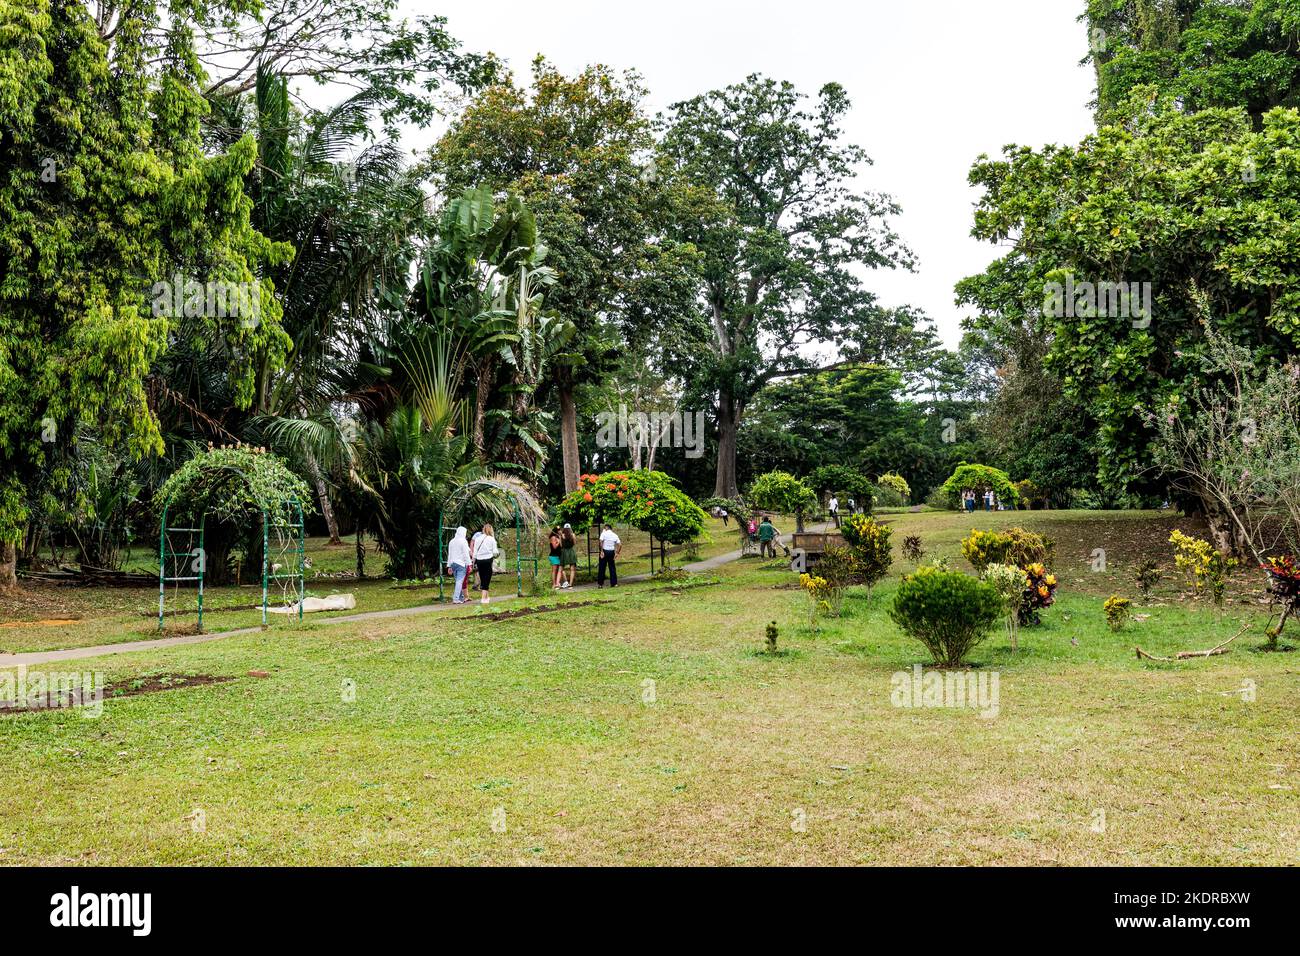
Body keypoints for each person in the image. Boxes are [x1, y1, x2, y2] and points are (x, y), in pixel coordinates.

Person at [474, 523, 498, 604]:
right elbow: (495, 552)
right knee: (487, 579)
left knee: (483, 577)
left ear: (483, 529)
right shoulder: (492, 539)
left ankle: (487, 597)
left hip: (479, 560)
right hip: (488, 560)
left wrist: (473, 561)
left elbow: (475, 552)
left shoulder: (477, 538)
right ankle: (483, 598)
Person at [447, 526, 471, 604]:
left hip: (453, 563)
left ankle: (461, 597)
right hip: (461, 563)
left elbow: (449, 554)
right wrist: (469, 564)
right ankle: (456, 598)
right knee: (459, 581)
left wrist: (449, 566)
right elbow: (465, 554)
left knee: (458, 581)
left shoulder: (452, 541)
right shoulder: (463, 541)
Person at [597, 523, 621, 588]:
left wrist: (601, 551)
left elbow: (600, 541)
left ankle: (600, 584)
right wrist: (617, 553)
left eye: (604, 528)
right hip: (611, 552)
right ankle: (614, 583)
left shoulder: (603, 533)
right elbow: (620, 545)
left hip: (604, 551)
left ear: (606, 528)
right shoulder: (615, 535)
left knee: (602, 568)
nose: (604, 529)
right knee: (612, 568)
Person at [560, 523, 578, 589]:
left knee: (561, 568)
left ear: (564, 528)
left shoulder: (561, 535)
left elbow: (561, 545)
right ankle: (570, 585)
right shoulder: (573, 535)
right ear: (570, 528)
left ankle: (565, 581)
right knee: (572, 569)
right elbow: (575, 543)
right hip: (571, 552)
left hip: (564, 552)